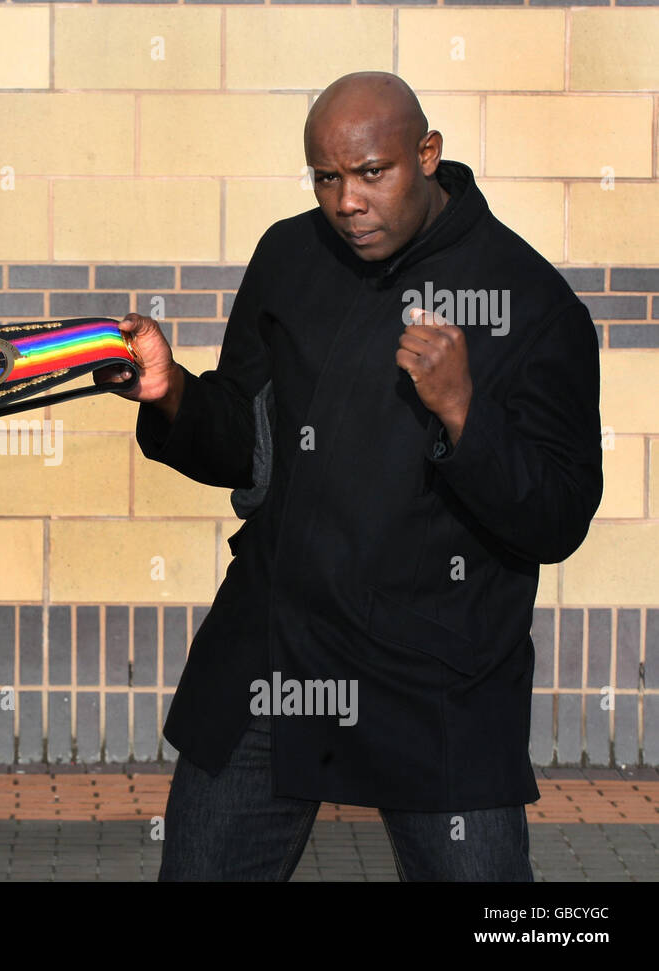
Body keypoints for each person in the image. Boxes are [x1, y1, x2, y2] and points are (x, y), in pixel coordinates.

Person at [105, 72, 602, 880]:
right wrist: (173, 395)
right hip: (277, 653)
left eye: (373, 172)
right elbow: (243, 442)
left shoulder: (531, 300)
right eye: (327, 177)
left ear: (427, 155)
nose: (347, 201)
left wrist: (463, 416)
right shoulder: (290, 256)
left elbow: (559, 515)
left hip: (437, 680)